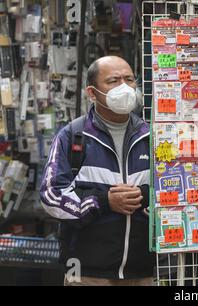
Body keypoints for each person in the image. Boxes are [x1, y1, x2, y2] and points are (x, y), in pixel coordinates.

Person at [40, 56, 154, 286]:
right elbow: (51, 195)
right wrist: (103, 201)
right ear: (92, 93)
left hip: (143, 270)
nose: (124, 86)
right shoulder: (73, 136)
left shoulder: (152, 136)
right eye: (113, 80)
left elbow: (175, 191)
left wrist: (145, 196)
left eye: (129, 79)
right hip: (86, 272)